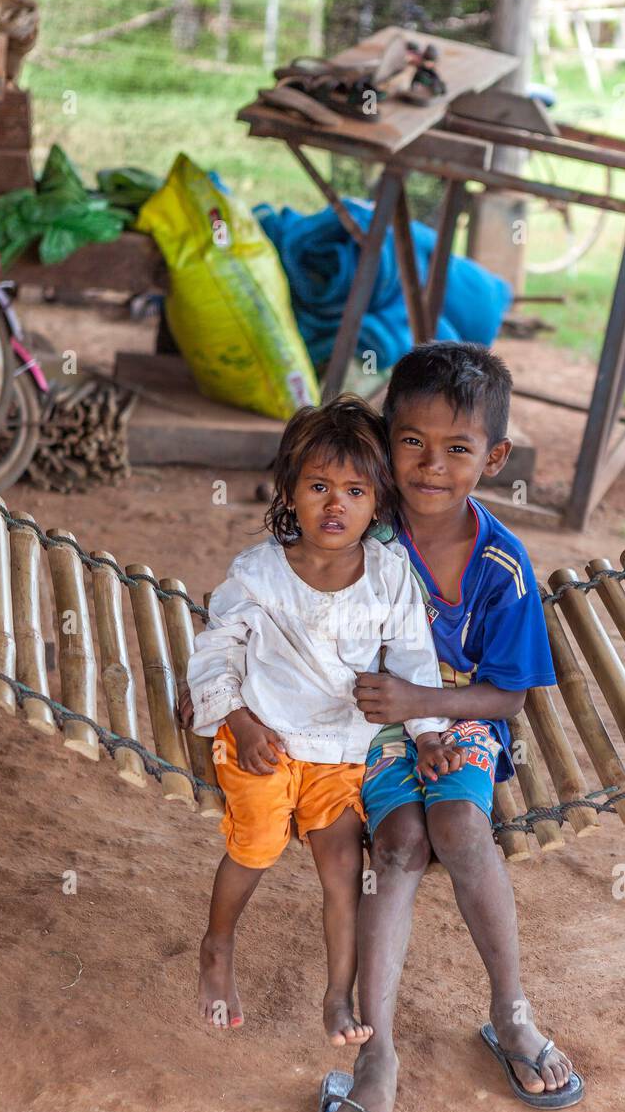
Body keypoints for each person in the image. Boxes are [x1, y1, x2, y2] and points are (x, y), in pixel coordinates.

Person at [319, 342, 584, 1112]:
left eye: (458, 448)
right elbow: (300, 614)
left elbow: (507, 697)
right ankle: (378, 1056)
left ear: (495, 458)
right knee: (398, 844)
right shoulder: (363, 529)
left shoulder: (501, 567)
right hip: (366, 718)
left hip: (459, 711)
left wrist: (425, 707)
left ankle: (510, 1013)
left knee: (463, 827)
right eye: (412, 442)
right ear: (384, 436)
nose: (431, 466)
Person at [179, 394, 463, 1050]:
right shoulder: (260, 574)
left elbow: (415, 659)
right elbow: (217, 653)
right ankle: (218, 945)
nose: (336, 505)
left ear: (378, 502)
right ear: (289, 491)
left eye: (355, 491)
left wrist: (426, 734)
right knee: (256, 845)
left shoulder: (389, 575)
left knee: (344, 870)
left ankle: (338, 995)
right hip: (265, 740)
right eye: (318, 486)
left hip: (339, 751)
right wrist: (241, 721)